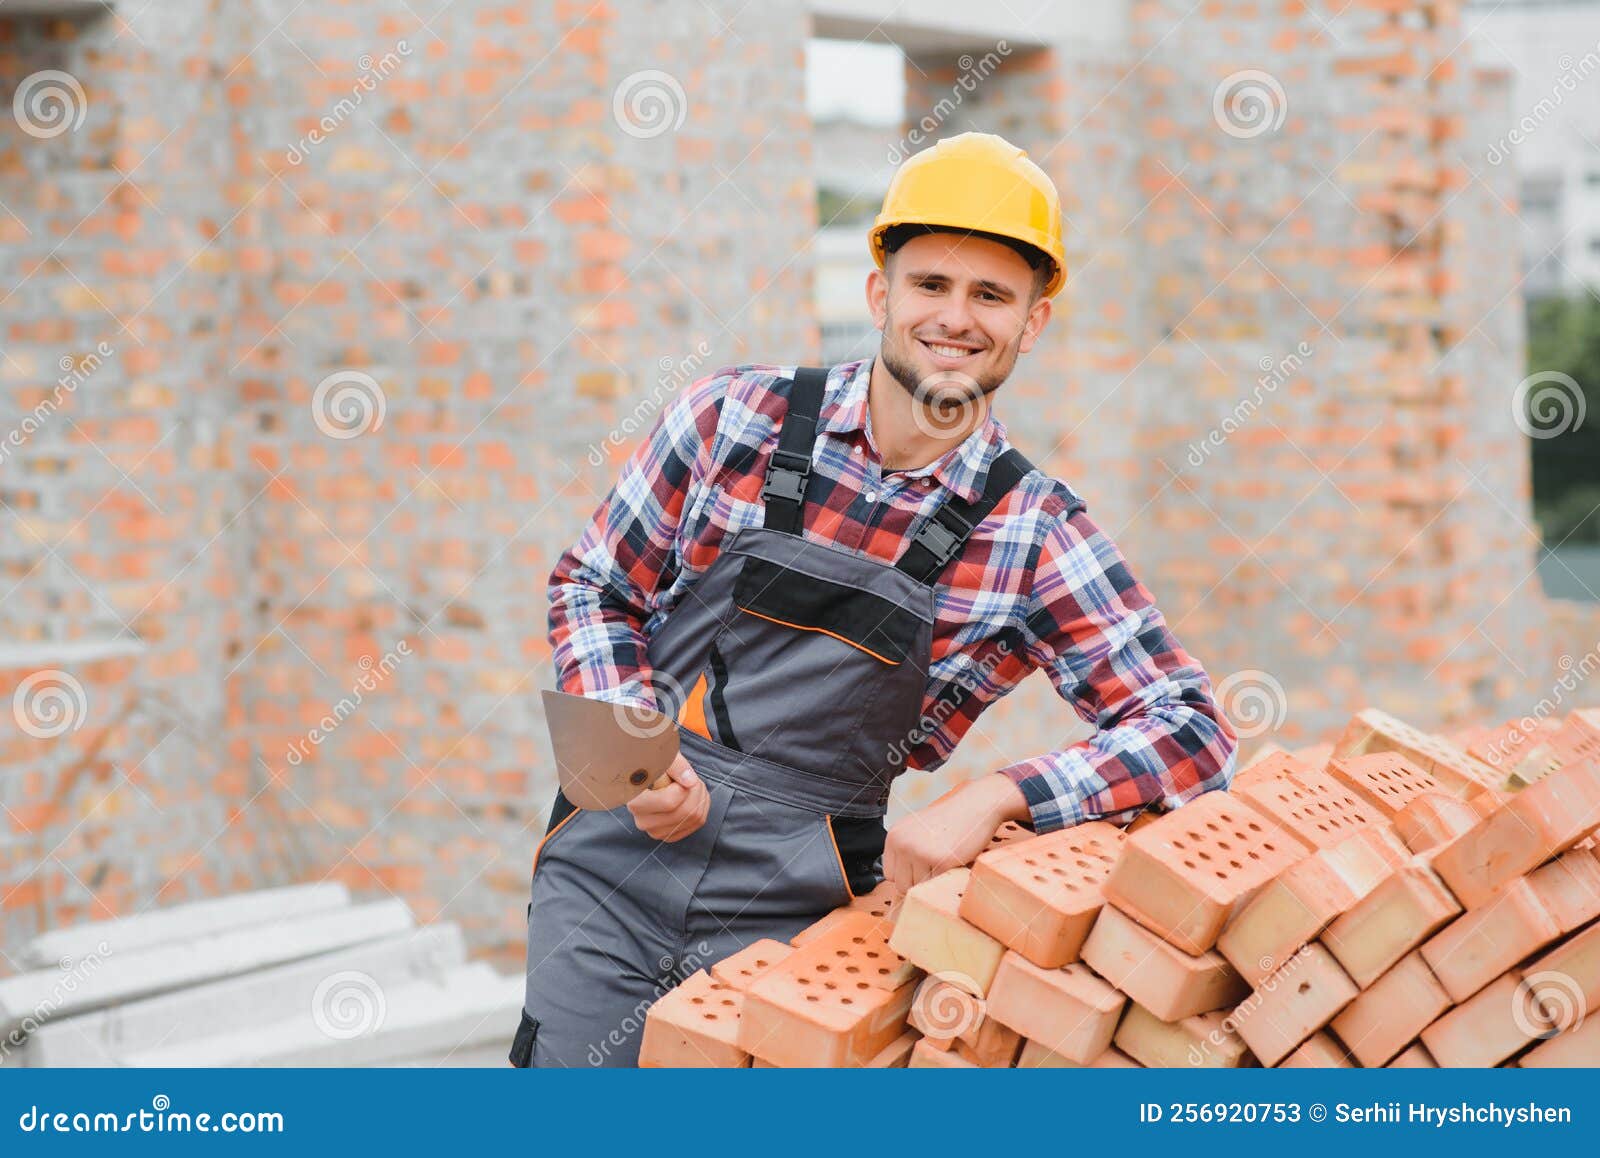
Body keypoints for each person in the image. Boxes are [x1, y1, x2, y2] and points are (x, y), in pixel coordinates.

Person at [509, 131, 1237, 1068]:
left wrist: (999, 797)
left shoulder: (1032, 533)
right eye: (931, 284)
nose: (957, 318)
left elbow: (1191, 730)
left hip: (800, 914)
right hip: (611, 866)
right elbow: (595, 587)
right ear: (879, 294)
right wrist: (637, 754)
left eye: (992, 296)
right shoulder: (735, 419)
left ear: (1034, 322)